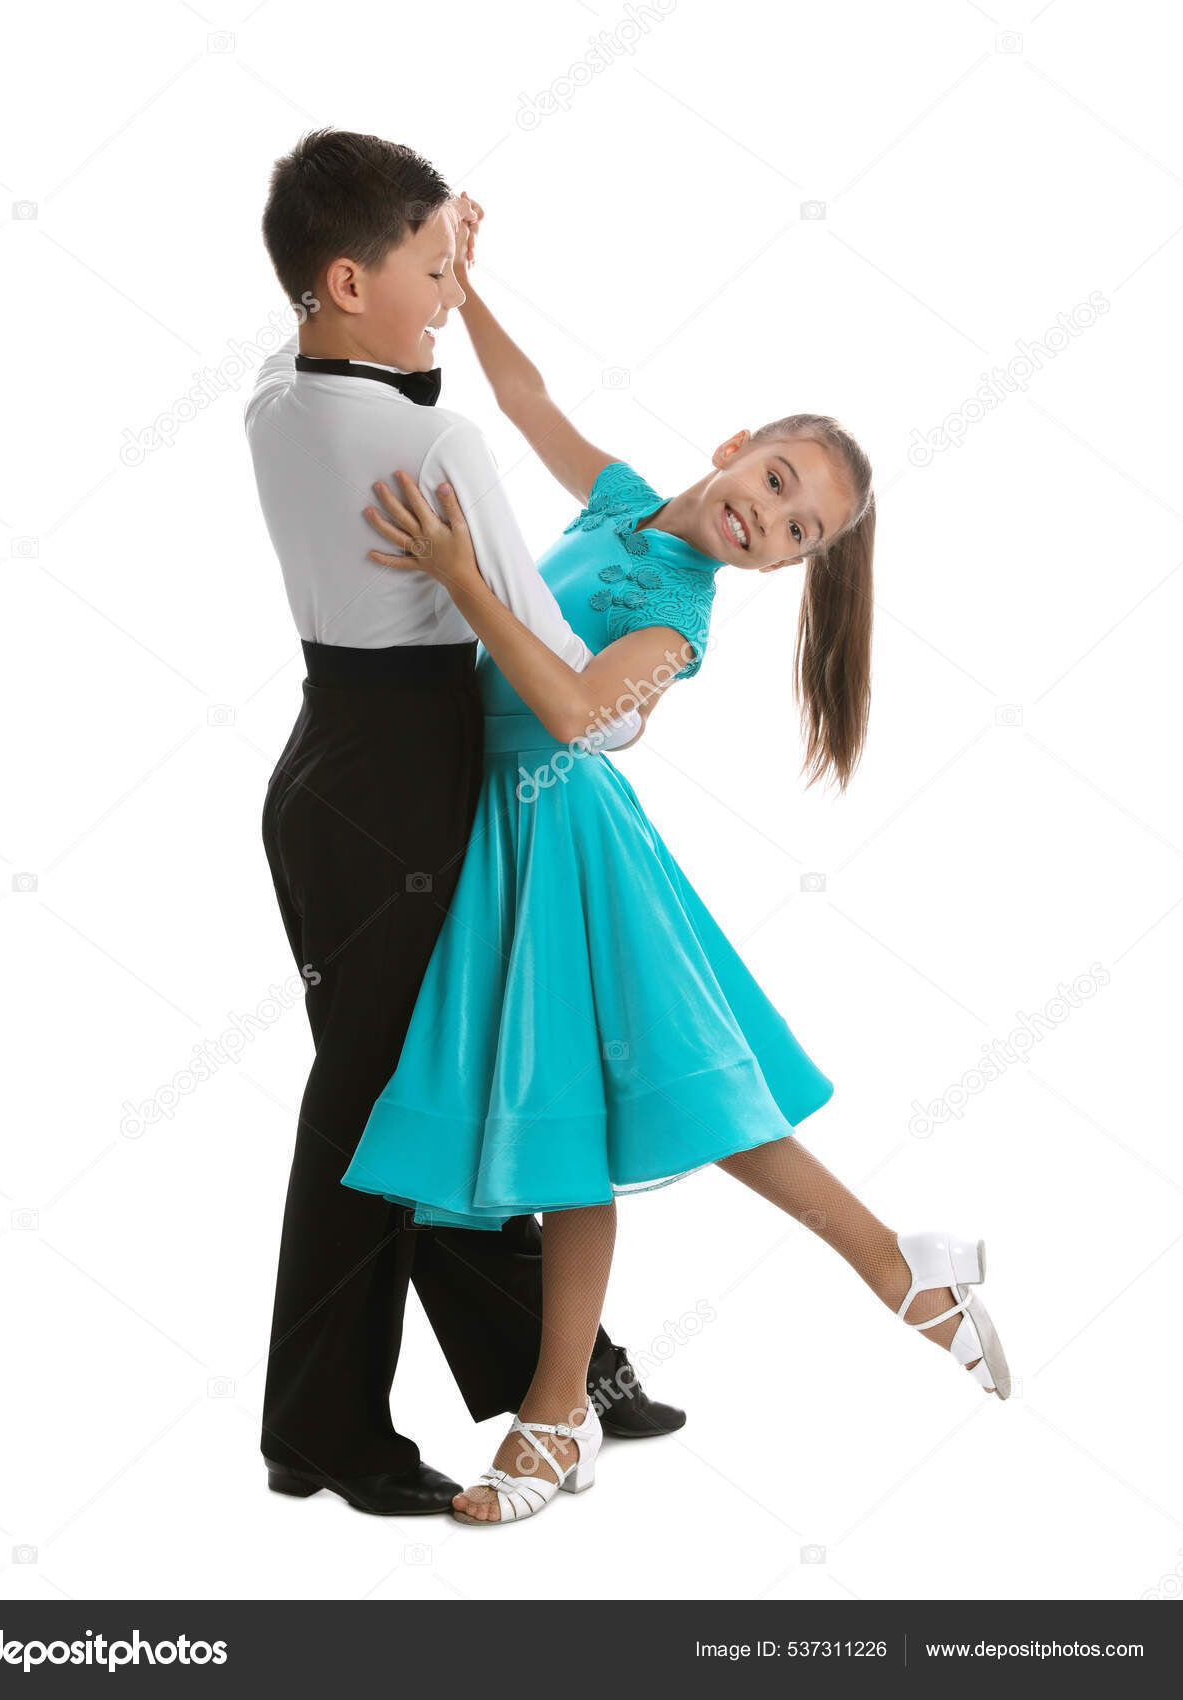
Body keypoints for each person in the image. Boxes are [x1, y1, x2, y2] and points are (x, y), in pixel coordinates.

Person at [342, 202, 1012, 1524]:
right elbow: (528, 402)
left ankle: (558, 1420)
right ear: (735, 447)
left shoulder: (676, 618)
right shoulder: (626, 502)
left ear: (793, 565)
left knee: (610, 1130)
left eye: (798, 530)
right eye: (773, 481)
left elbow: (575, 706)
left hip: (564, 852)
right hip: (498, 839)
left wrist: (463, 575)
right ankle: (897, 1270)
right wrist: (466, 292)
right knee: (660, 1122)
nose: (767, 519)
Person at [244, 130, 682, 1519]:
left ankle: (553, 1367)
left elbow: (377, 366)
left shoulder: (275, 395)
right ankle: (328, 1431)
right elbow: (568, 683)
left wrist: (436, 262)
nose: (450, 292)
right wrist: (648, 685)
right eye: (433, 270)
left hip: (330, 778)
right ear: (346, 277)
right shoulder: (439, 442)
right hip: (409, 798)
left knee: (421, 1088)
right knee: (392, 1110)